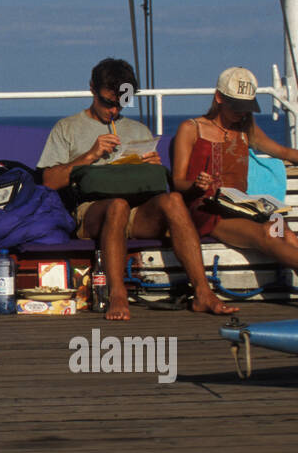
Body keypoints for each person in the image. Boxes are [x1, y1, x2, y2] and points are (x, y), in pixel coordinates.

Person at [38, 58, 237, 321]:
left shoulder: (137, 129)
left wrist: (152, 166)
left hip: (137, 211)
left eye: (120, 104)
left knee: (173, 200)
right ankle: (117, 294)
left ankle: (203, 292)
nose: (113, 111)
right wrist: (90, 155)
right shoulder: (67, 128)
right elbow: (49, 181)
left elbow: (157, 188)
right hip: (92, 212)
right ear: (92, 90)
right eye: (108, 102)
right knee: (117, 205)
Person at [171, 67, 298, 314]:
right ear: (219, 98)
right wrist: (197, 184)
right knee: (268, 232)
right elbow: (177, 181)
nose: (241, 113)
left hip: (240, 206)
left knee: (286, 233)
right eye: (236, 107)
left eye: (245, 108)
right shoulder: (192, 128)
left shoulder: (245, 128)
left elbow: (282, 152)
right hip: (206, 210)